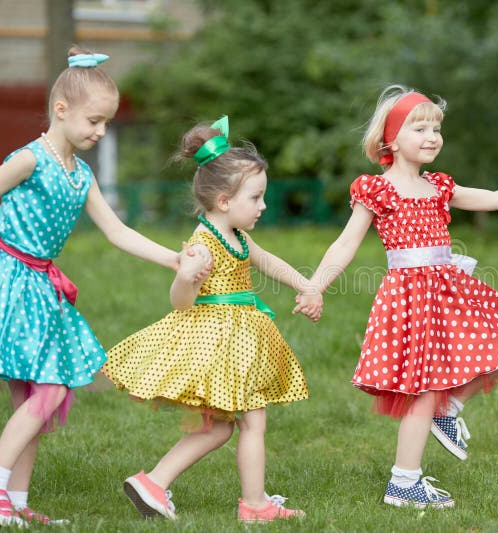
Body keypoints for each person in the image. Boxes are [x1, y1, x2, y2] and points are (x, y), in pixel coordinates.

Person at [303, 85, 498, 508]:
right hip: (410, 298)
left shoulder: (438, 186)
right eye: (419, 127)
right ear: (391, 139)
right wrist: (316, 285)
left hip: (448, 289)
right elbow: (345, 244)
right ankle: (405, 481)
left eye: (436, 128)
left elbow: (492, 199)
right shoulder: (377, 190)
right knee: (423, 388)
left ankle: (449, 409)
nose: (431, 136)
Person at [0, 48, 206, 527]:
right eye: (95, 121)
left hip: (42, 284)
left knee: (32, 398)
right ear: (61, 110)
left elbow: (118, 231)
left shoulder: (80, 174)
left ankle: (18, 501)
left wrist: (172, 257)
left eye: (108, 122)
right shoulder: (29, 160)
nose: (101, 132)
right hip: (8, 280)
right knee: (48, 390)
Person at [101, 116, 322, 524]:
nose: (263, 205)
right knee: (252, 421)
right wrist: (185, 277)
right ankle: (254, 505)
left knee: (221, 428)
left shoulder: (235, 235)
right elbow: (181, 301)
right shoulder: (203, 244)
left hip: (236, 338)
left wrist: (305, 285)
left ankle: (154, 482)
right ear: (224, 201)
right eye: (256, 198)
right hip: (221, 343)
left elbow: (266, 260)